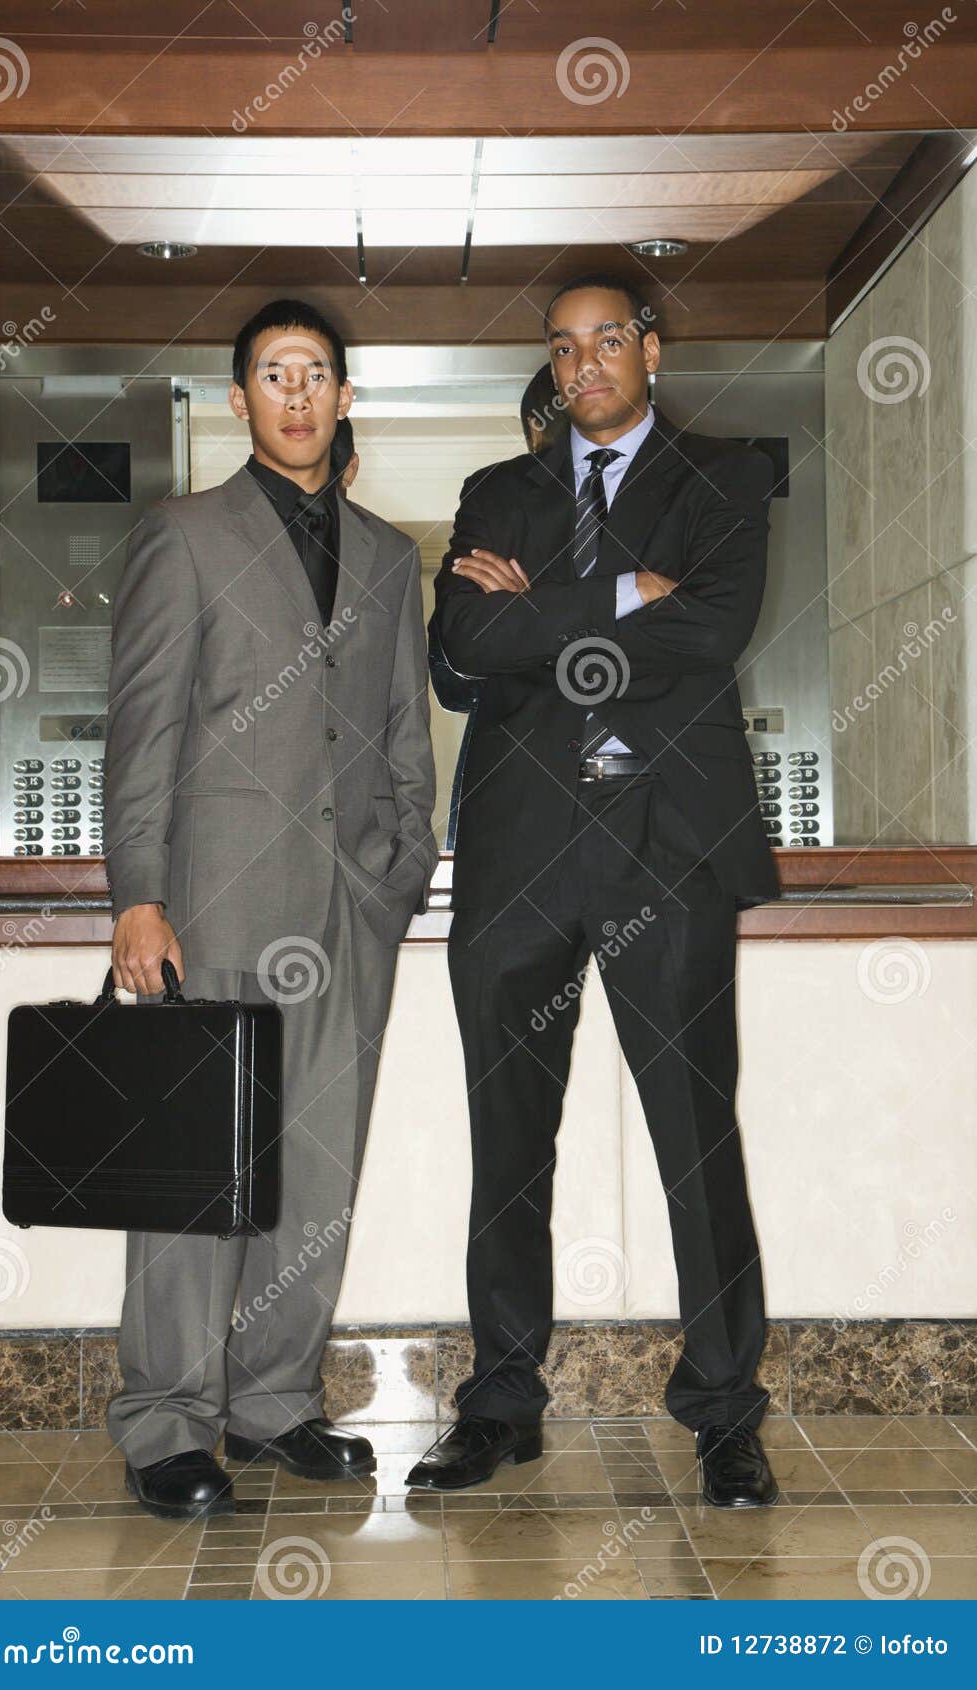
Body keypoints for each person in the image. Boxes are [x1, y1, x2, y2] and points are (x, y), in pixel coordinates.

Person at [408, 271, 780, 1509]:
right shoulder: (497, 492)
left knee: (694, 1138)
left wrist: (540, 612)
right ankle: (499, 1400)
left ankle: (722, 1411)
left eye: (606, 339)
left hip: (665, 848)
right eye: (562, 348)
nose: (584, 365)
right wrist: (627, 594)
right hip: (516, 854)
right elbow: (463, 649)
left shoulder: (722, 479)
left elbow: (711, 629)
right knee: (507, 1140)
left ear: (649, 350)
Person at [104, 298, 437, 1519]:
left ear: (344, 399)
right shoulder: (183, 536)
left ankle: (271, 1398)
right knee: (199, 1171)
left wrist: (399, 870)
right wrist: (139, 895)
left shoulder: (390, 557)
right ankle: (166, 1420)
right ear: (240, 397)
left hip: (347, 913)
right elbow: (142, 731)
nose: (296, 394)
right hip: (212, 903)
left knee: (314, 1169)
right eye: (272, 373)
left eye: (315, 375)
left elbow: (404, 729)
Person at [428, 361, 567, 847]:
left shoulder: (493, 510)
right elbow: (453, 677)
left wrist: (526, 619)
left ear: (533, 426)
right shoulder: (495, 504)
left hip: (510, 792)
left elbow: (453, 685)